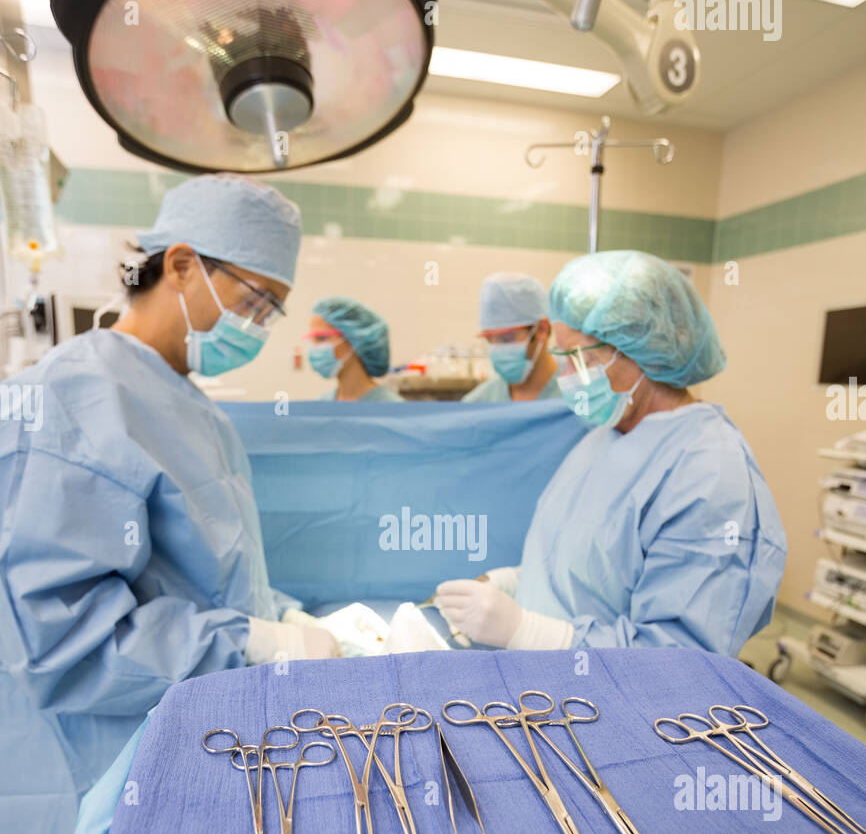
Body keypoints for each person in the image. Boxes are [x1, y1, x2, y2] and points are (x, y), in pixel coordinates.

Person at [0, 173, 339, 834]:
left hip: (188, 749)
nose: (259, 325)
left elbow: (202, 573)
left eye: (274, 308)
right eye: (253, 298)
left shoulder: (182, 398)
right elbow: (73, 643)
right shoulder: (77, 397)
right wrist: (256, 647)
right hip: (100, 767)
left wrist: (281, 620)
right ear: (180, 262)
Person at [436, 250, 786, 653]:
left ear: (641, 349)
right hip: (549, 690)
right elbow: (587, 572)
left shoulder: (710, 474)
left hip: (612, 709)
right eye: (562, 358)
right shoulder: (605, 435)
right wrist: (513, 583)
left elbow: (680, 660)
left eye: (580, 359)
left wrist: (527, 632)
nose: (567, 378)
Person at [463, 272, 561, 403]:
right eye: (490, 340)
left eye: (506, 338)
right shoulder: (479, 403)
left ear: (542, 329)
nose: (498, 349)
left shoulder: (577, 398)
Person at [305, 296, 401, 401]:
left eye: (321, 338)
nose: (315, 348)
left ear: (355, 337)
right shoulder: (322, 405)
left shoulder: (390, 408)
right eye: (312, 340)